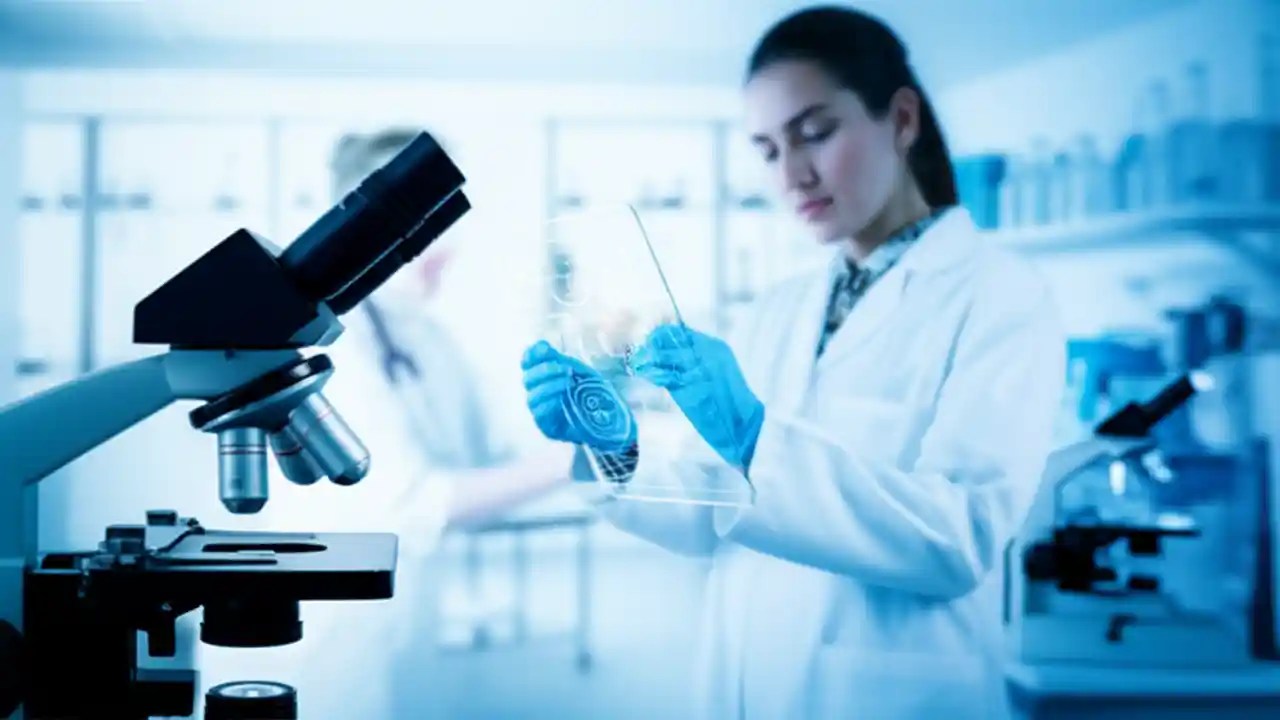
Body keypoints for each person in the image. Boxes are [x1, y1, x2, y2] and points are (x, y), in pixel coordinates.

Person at [521, 6, 1066, 720]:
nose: (793, 174)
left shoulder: (1000, 295)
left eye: (815, 133)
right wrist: (616, 448)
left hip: (888, 698)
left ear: (902, 120)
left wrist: (756, 439)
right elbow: (708, 513)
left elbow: (960, 537)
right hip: (747, 685)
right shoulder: (780, 306)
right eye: (769, 150)